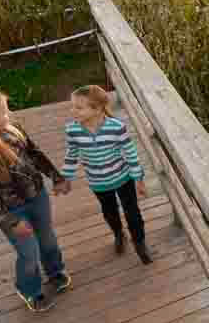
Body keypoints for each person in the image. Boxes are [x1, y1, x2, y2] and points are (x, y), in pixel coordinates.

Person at [0, 89, 71, 313]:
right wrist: (11, 222)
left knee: (47, 238)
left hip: (37, 196)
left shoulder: (13, 130)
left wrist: (56, 177)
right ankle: (30, 290)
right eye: (1, 111)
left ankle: (55, 272)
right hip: (12, 212)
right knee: (29, 253)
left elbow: (35, 154)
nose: (7, 114)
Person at [62, 85, 152, 264]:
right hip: (98, 181)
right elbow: (71, 154)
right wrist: (66, 178)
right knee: (109, 212)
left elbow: (130, 154)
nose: (73, 111)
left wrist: (138, 179)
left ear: (97, 109)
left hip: (122, 178)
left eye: (79, 107)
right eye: (72, 106)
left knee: (132, 212)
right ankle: (119, 235)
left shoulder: (116, 127)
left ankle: (140, 243)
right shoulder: (72, 130)